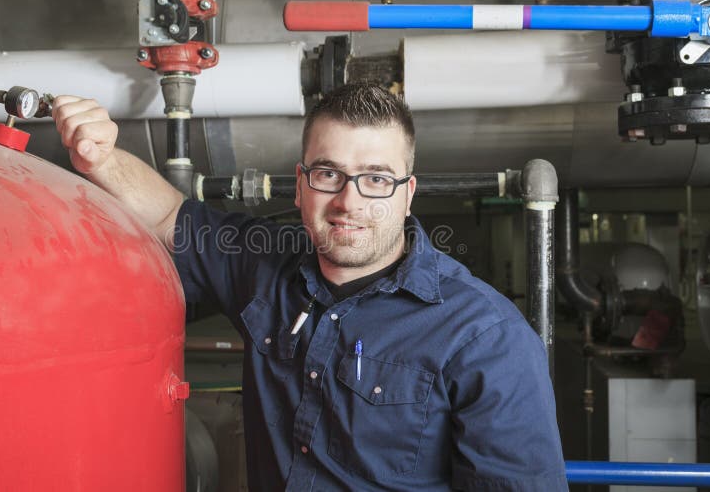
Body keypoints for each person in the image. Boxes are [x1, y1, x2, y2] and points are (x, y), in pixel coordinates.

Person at [53, 83, 567, 491]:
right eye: (329, 174)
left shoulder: (486, 337)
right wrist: (102, 158)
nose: (348, 201)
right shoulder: (261, 263)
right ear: (300, 186)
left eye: (376, 178)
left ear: (407, 194)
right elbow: (170, 213)